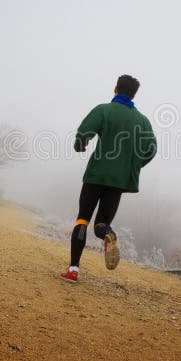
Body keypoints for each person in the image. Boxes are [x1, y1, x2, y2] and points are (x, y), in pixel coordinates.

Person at [61, 74, 157, 283]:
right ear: (133, 94)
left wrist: (80, 145)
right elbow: (151, 149)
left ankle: (73, 269)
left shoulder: (103, 110)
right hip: (119, 182)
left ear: (116, 89)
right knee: (101, 224)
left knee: (83, 219)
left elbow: (83, 133)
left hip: (96, 175)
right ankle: (108, 235)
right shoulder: (142, 121)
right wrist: (133, 165)